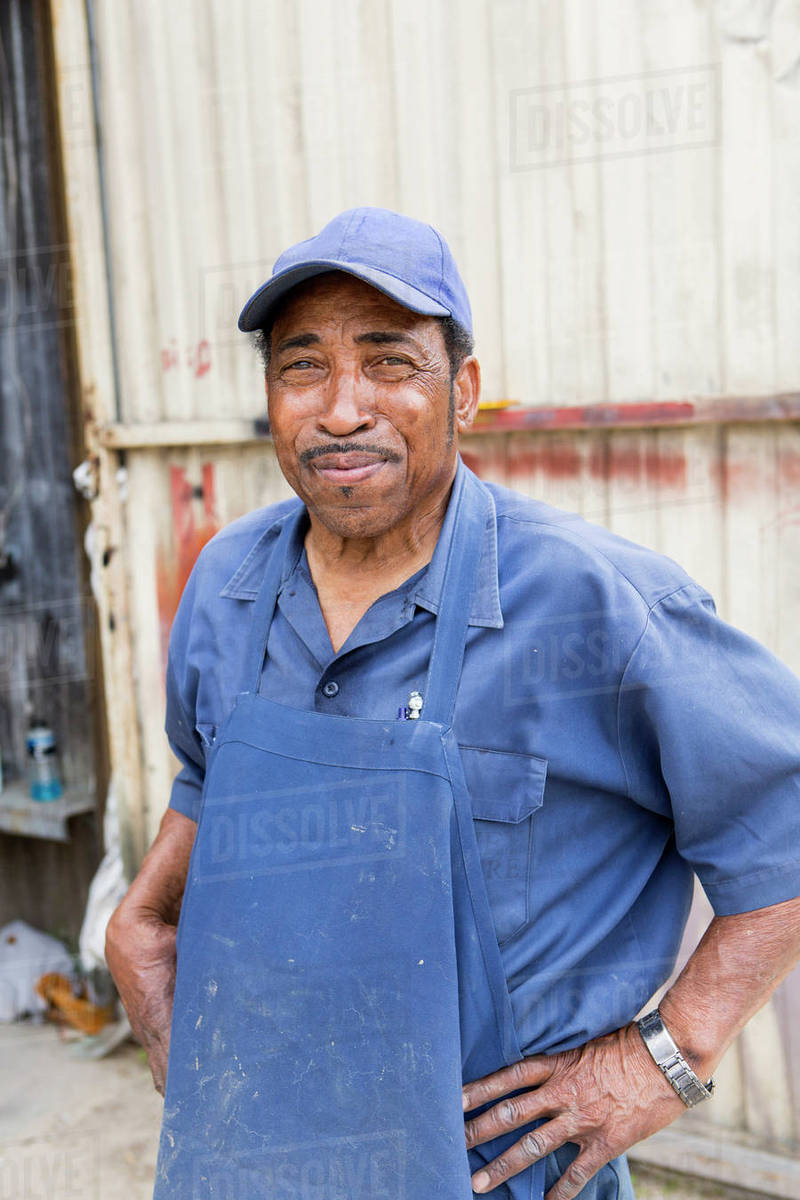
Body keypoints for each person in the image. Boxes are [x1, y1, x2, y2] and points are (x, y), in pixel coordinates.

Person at [106, 207, 800, 1200]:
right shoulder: (226, 582)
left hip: (496, 1177)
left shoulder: (592, 604)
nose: (341, 409)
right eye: (303, 367)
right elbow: (204, 772)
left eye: (388, 363)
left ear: (462, 392)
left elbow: (781, 822)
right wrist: (141, 923)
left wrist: (669, 1052)